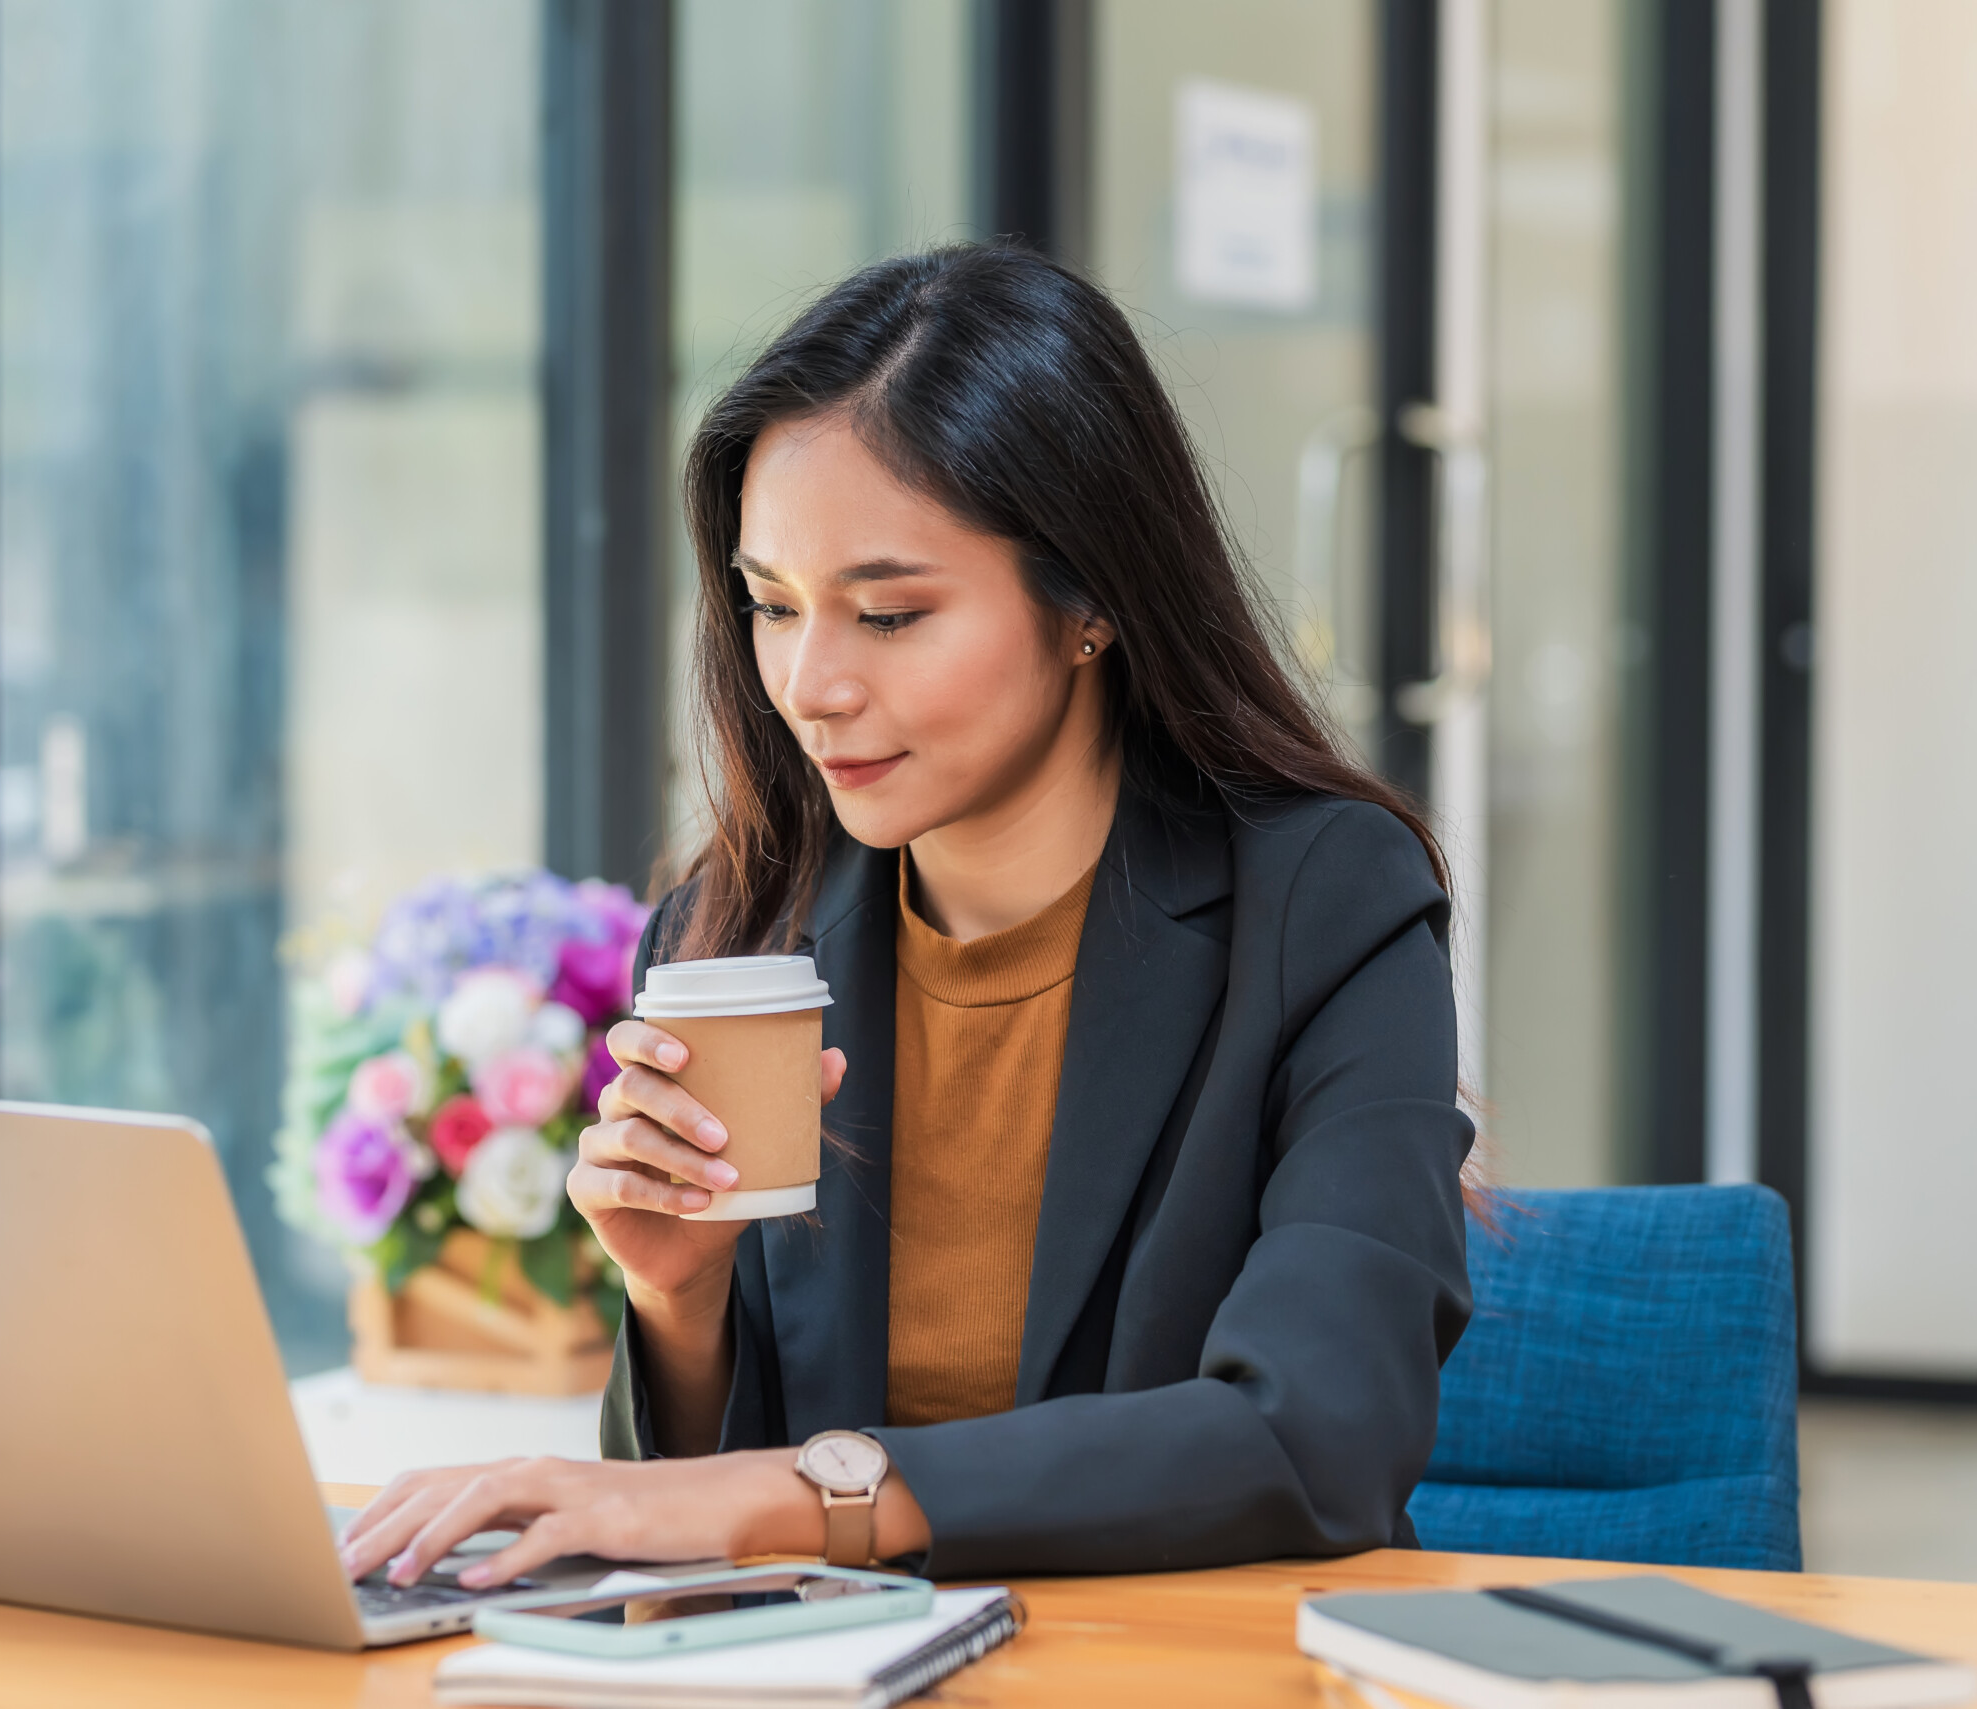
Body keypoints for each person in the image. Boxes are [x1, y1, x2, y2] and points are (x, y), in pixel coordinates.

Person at [339, 244, 1473, 1591]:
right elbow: (715, 1533)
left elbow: (1319, 1434)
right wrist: (676, 1297)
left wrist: (824, 1484)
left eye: (888, 613)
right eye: (772, 606)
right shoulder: (735, 934)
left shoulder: (1324, 903)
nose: (809, 683)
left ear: (1090, 600)